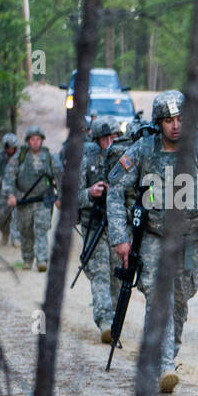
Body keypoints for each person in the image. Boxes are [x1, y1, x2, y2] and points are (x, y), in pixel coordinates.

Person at [107, 90, 198, 394]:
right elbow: (115, 189)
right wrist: (120, 237)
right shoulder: (143, 150)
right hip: (153, 237)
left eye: (181, 119)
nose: (176, 126)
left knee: (180, 300)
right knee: (160, 298)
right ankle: (163, 364)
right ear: (159, 123)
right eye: (169, 120)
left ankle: (166, 355)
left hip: (190, 237)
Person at [78, 117, 120, 341]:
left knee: (118, 277)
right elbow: (71, 198)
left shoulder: (125, 160)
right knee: (100, 274)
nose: (110, 142)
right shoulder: (86, 160)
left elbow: (143, 192)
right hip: (93, 225)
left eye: (114, 137)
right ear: (96, 140)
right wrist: (89, 192)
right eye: (106, 138)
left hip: (118, 227)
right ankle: (104, 320)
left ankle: (114, 318)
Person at [3, 125, 63, 271]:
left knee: (41, 229)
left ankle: (42, 259)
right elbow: (9, 176)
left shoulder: (50, 157)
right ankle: (28, 258)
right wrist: (10, 194)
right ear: (28, 141)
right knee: (26, 230)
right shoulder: (20, 157)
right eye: (32, 139)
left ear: (42, 141)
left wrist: (60, 197)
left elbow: (60, 178)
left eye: (38, 139)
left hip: (43, 200)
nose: (35, 142)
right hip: (24, 200)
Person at [0, 132, 19, 245]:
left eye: (13, 148)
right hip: (1, 192)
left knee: (16, 214)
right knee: (0, 216)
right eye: (9, 148)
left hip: (16, 190)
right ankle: (5, 232)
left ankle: (16, 238)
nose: (11, 150)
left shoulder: (20, 158)